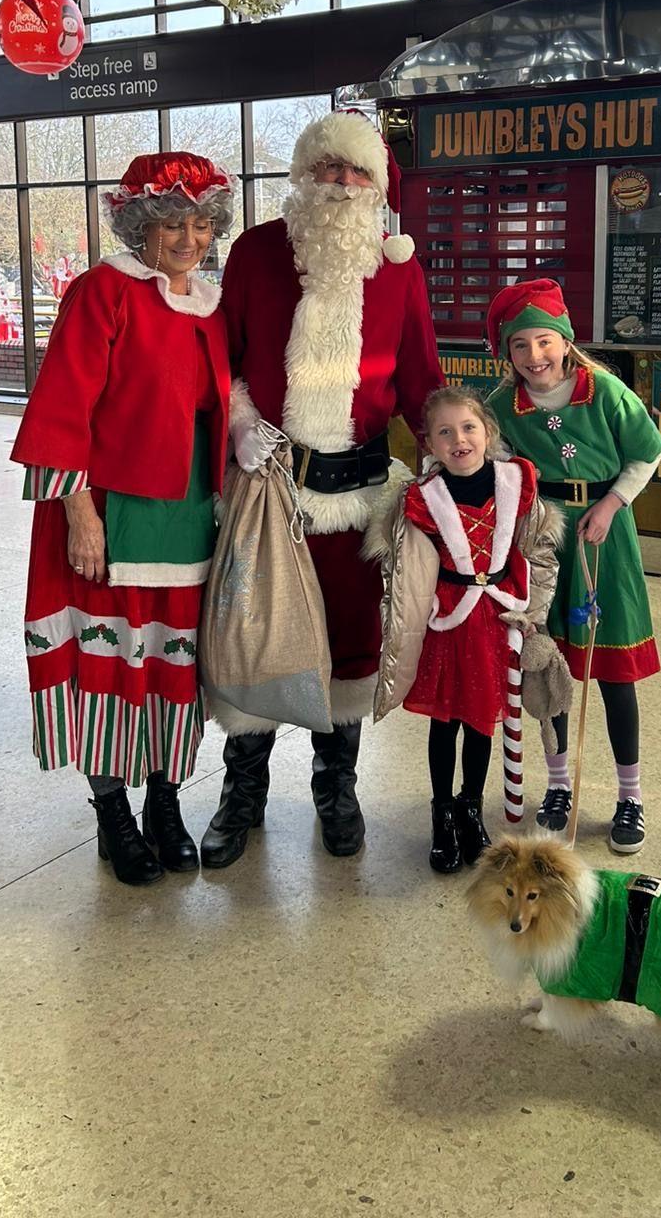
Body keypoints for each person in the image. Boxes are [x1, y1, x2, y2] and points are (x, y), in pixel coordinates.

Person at [202, 110, 442, 866]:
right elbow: (223, 360)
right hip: (270, 493)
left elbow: (420, 380)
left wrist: (457, 460)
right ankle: (243, 792)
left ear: (377, 186)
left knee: (349, 648)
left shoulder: (399, 268)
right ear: (302, 177)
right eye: (327, 169)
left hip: (360, 494)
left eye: (356, 172)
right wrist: (240, 422)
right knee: (261, 637)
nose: (341, 184)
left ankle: (336, 788)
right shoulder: (255, 252)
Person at [11, 153, 234, 887]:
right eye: (173, 223)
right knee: (110, 664)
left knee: (173, 666)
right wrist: (80, 516)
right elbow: (62, 407)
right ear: (142, 224)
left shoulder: (210, 303)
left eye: (201, 224)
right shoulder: (102, 292)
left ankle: (165, 803)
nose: (189, 239)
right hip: (108, 516)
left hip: (185, 523)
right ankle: (113, 814)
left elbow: (216, 407)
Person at [486, 278, 661, 855]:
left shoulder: (604, 390)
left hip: (602, 537)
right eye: (520, 346)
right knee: (549, 667)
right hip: (540, 546)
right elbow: (488, 466)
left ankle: (629, 796)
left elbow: (648, 449)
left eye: (544, 342)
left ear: (564, 342)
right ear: (507, 354)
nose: (534, 357)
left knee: (614, 673)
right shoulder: (500, 408)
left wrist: (611, 505)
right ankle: (559, 784)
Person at [371, 387, 562, 873]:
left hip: (497, 620)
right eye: (445, 432)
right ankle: (441, 812)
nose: (459, 439)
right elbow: (405, 570)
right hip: (448, 622)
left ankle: (470, 806)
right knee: (446, 720)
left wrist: (534, 615)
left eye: (469, 428)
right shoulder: (420, 500)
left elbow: (537, 549)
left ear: (488, 433)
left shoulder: (516, 484)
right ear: (430, 444)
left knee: (481, 720)